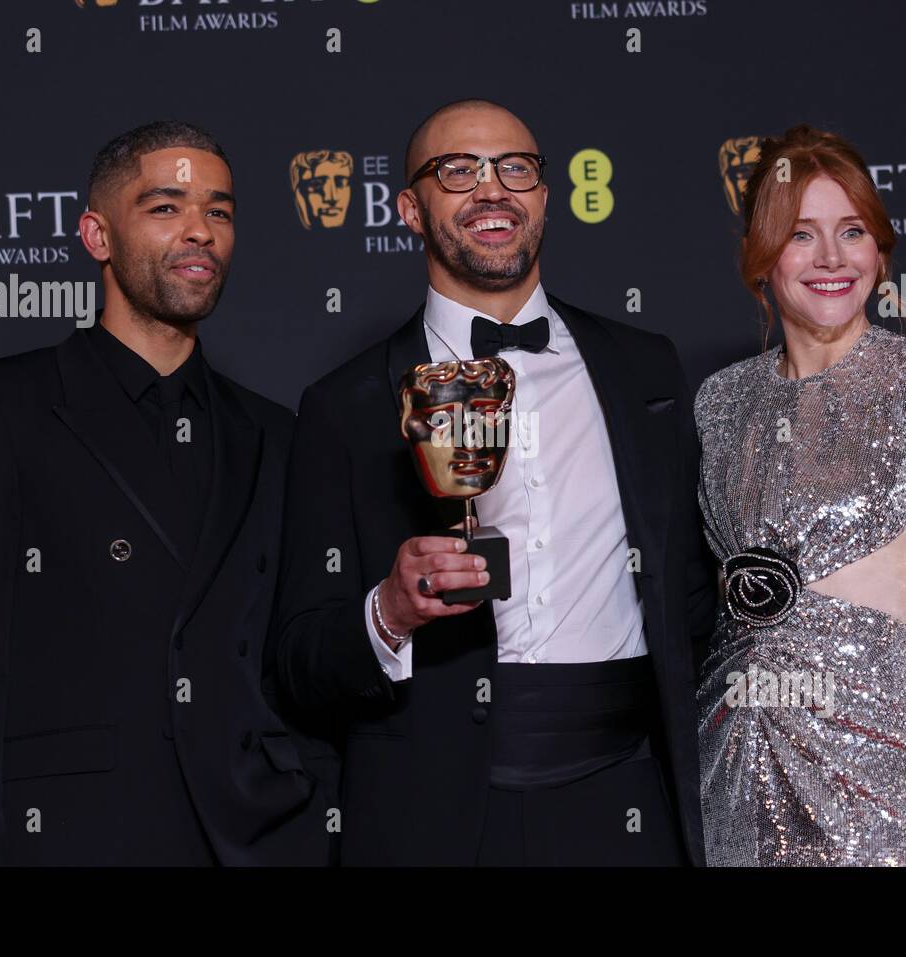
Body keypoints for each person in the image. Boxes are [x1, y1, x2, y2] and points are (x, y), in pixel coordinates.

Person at [272, 99, 715, 866]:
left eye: (516, 168)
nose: (492, 190)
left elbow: (693, 600)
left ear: (545, 195)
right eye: (457, 171)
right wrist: (389, 611)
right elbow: (297, 658)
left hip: (624, 798)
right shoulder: (343, 405)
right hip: (432, 810)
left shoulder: (647, 370)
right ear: (409, 209)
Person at [0, 121, 334, 865]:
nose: (200, 230)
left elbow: (290, 665)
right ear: (97, 235)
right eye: (166, 207)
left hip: (256, 837)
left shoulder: (277, 431)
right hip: (75, 834)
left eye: (220, 211)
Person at [693, 125, 906, 866]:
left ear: (880, 250)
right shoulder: (720, 401)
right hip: (735, 753)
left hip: (876, 769)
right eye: (801, 234)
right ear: (760, 256)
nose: (832, 259)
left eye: (852, 232)